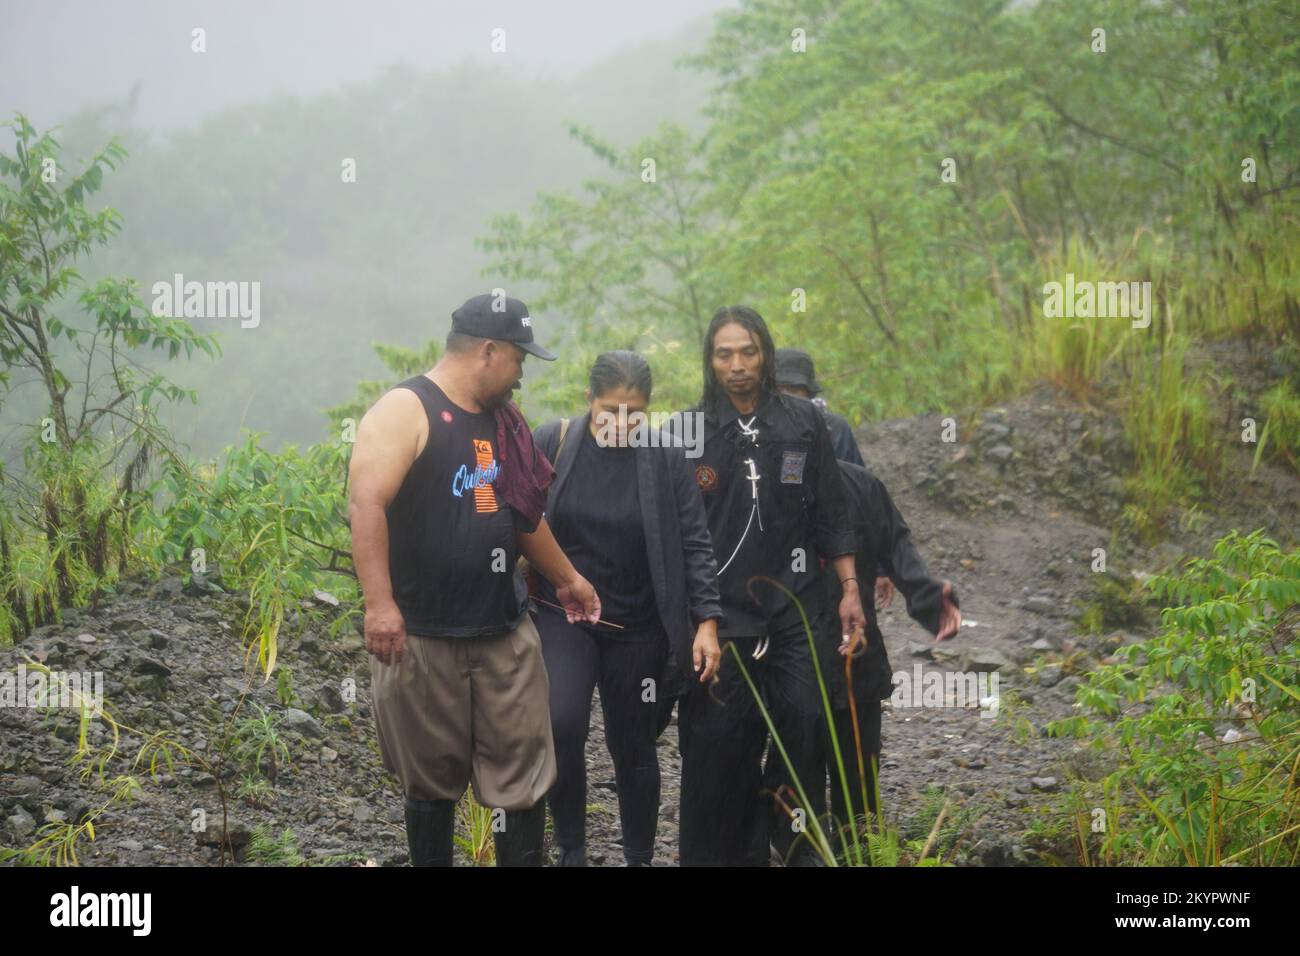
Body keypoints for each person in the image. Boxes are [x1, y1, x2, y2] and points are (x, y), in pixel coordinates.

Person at [348, 292, 601, 867]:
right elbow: (366, 505)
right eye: (519, 361)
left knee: (522, 775)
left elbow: (521, 517)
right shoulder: (406, 410)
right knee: (430, 782)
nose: (521, 378)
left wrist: (568, 579)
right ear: (490, 351)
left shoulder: (501, 423)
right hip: (423, 634)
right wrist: (379, 606)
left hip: (502, 632)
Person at [669, 306, 867, 866]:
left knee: (806, 719)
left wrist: (850, 589)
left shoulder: (804, 423)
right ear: (710, 361)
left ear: (766, 354)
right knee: (719, 742)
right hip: (719, 613)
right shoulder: (687, 432)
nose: (737, 365)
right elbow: (676, 535)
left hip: (795, 604)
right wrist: (695, 618)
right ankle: (728, 854)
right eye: (724, 354)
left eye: (748, 352)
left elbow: (832, 512)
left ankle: (798, 842)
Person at [530, 350, 725, 867]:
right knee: (561, 722)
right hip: (565, 613)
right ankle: (572, 845)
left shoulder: (665, 458)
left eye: (633, 413)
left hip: (637, 624)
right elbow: (518, 516)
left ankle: (638, 856)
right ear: (589, 401)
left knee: (634, 743)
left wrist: (706, 622)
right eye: (609, 411)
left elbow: (695, 543)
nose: (621, 424)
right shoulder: (555, 442)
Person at [770, 459, 961, 858]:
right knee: (796, 773)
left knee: (856, 781)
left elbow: (896, 543)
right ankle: (802, 853)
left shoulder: (860, 485)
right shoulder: (766, 482)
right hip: (794, 657)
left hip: (851, 654)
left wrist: (930, 598)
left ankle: (857, 852)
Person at [773, 348, 864, 467]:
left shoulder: (834, 428)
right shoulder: (752, 428)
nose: (784, 397)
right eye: (776, 389)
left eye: (793, 389)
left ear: (808, 393)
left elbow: (854, 480)